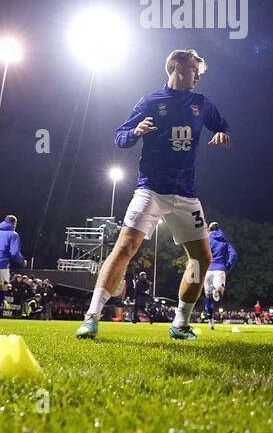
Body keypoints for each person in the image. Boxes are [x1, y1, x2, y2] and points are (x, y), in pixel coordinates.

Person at [76, 48, 230, 341]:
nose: (197, 75)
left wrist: (222, 132)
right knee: (125, 247)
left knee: (201, 260)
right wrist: (136, 131)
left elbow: (221, 124)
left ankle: (180, 323)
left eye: (199, 71)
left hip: (186, 194)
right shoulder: (151, 102)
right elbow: (120, 137)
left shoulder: (202, 104)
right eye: (194, 69)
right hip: (151, 190)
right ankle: (92, 317)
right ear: (175, 65)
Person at [202, 221, 237, 328]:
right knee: (219, 286)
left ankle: (210, 321)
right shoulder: (224, 240)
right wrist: (228, 266)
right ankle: (218, 289)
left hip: (207, 271)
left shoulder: (206, 240)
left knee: (208, 297)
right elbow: (234, 254)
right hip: (220, 269)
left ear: (210, 229)